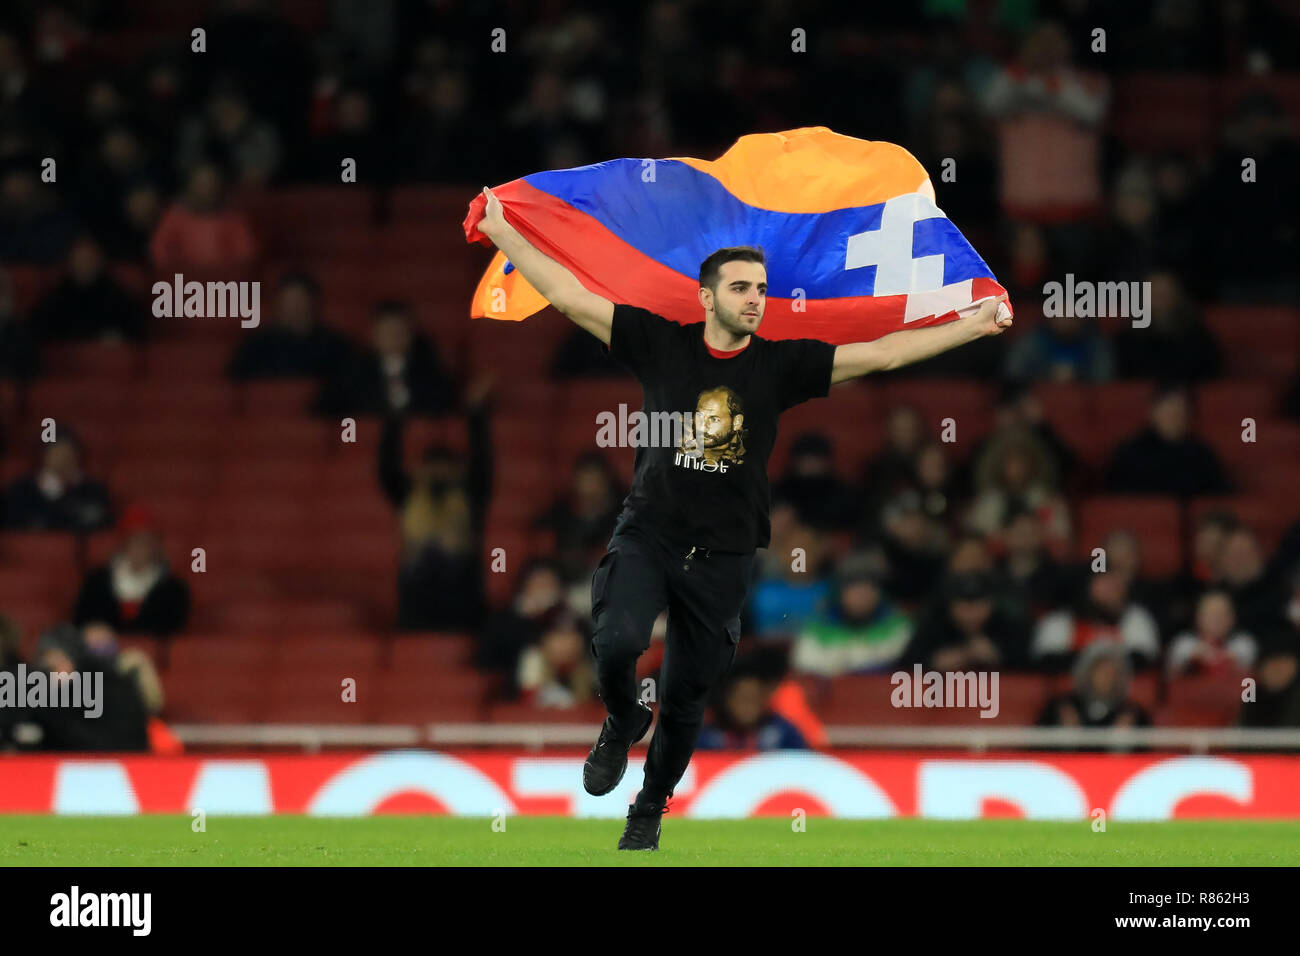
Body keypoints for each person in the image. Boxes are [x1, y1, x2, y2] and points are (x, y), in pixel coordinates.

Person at [475, 185, 1012, 850]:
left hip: (725, 554)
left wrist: (970, 323)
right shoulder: (657, 342)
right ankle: (620, 718)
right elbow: (567, 295)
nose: (754, 298)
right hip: (650, 533)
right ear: (706, 297)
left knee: (685, 698)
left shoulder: (781, 365)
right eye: (739, 288)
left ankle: (648, 808)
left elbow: (883, 354)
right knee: (616, 642)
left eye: (760, 288)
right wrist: (504, 233)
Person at [72, 504, 190, 637]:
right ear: (123, 544)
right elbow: (83, 622)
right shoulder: (96, 582)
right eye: (135, 541)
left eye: (147, 542)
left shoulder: (173, 588)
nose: (141, 548)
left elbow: (173, 628)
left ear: (156, 546)